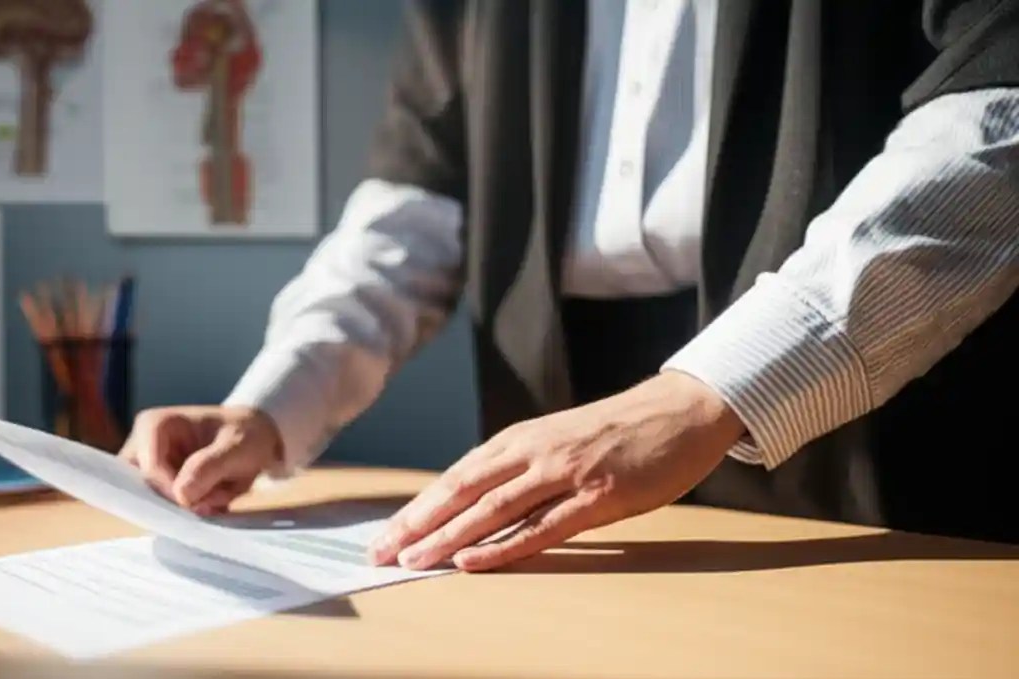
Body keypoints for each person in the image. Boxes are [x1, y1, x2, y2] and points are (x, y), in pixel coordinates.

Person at [120, 0, 1019, 571]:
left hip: (866, 418)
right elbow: (418, 201)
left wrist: (714, 390)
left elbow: (997, 109)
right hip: (557, 407)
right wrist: (270, 403)